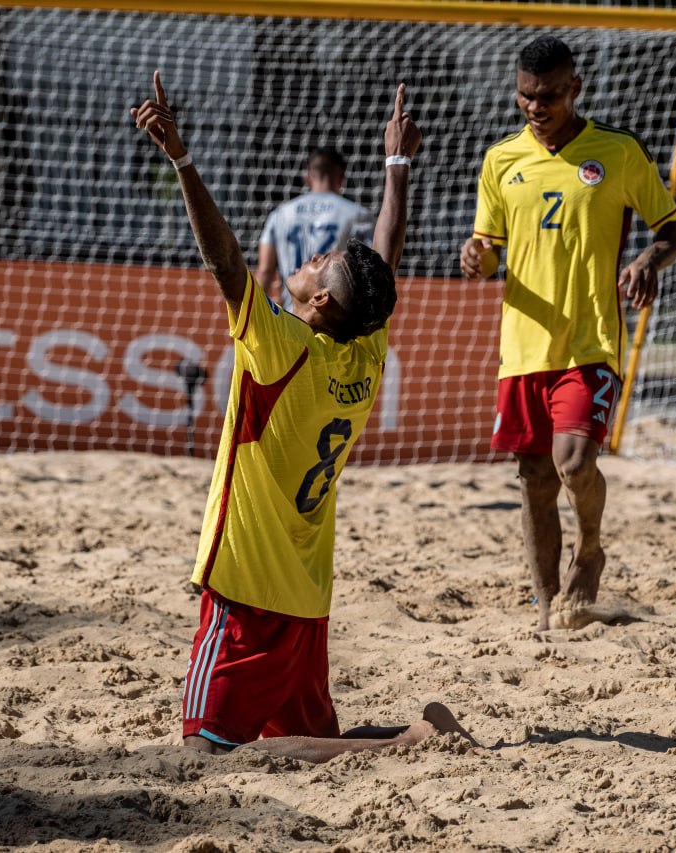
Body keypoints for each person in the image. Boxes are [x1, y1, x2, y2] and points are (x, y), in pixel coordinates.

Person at [132, 73, 476, 760]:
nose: (312, 260)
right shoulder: (363, 349)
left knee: (206, 755)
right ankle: (420, 736)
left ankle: (404, 743)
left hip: (247, 587)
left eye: (320, 266)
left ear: (319, 304)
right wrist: (397, 168)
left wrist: (182, 161)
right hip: (306, 594)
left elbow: (226, 261)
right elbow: (383, 259)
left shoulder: (282, 347)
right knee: (305, 739)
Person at [459, 35, 676, 631]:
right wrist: (477, 258)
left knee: (574, 462)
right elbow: (488, 252)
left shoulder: (617, 151)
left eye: (549, 96)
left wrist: (644, 263)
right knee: (534, 478)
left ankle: (591, 548)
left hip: (592, 341)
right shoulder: (500, 160)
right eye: (526, 96)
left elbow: (672, 231)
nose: (536, 106)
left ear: (575, 89)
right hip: (524, 346)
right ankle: (544, 604)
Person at [256, 146, 374, 310]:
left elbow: (265, 271)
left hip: (292, 315)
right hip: (333, 318)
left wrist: (253, 316)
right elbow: (371, 270)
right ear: (342, 178)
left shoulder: (280, 214)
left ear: (307, 178)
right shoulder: (357, 215)